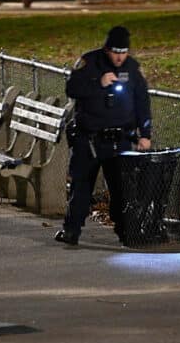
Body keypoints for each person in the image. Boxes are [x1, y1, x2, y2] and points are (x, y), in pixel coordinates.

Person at [55, 26, 152, 247]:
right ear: (106, 49)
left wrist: (144, 134)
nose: (119, 56)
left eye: (123, 51)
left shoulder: (133, 69)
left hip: (120, 141)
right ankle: (71, 230)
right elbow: (72, 88)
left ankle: (126, 232)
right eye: (115, 51)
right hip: (89, 140)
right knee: (81, 187)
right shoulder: (89, 62)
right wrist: (97, 83)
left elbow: (142, 103)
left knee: (122, 190)